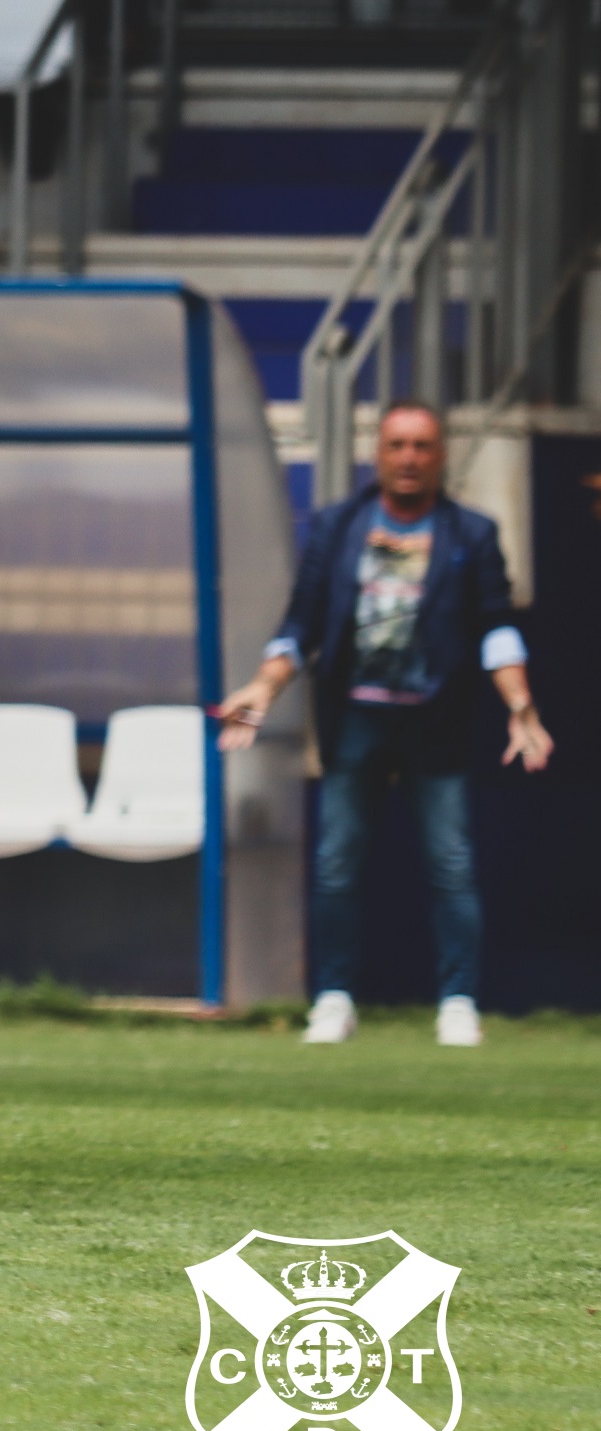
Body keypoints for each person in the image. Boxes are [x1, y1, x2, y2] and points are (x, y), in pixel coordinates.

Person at [214, 400, 551, 1048]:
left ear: (441, 455)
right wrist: (264, 686)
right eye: (397, 445)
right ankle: (334, 1000)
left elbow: (496, 626)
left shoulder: (471, 533)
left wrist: (520, 703)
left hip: (436, 725)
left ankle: (459, 1004)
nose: (409, 458)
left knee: (452, 866)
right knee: (337, 865)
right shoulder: (338, 526)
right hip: (353, 723)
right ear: (379, 454)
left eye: (422, 445)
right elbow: (301, 622)